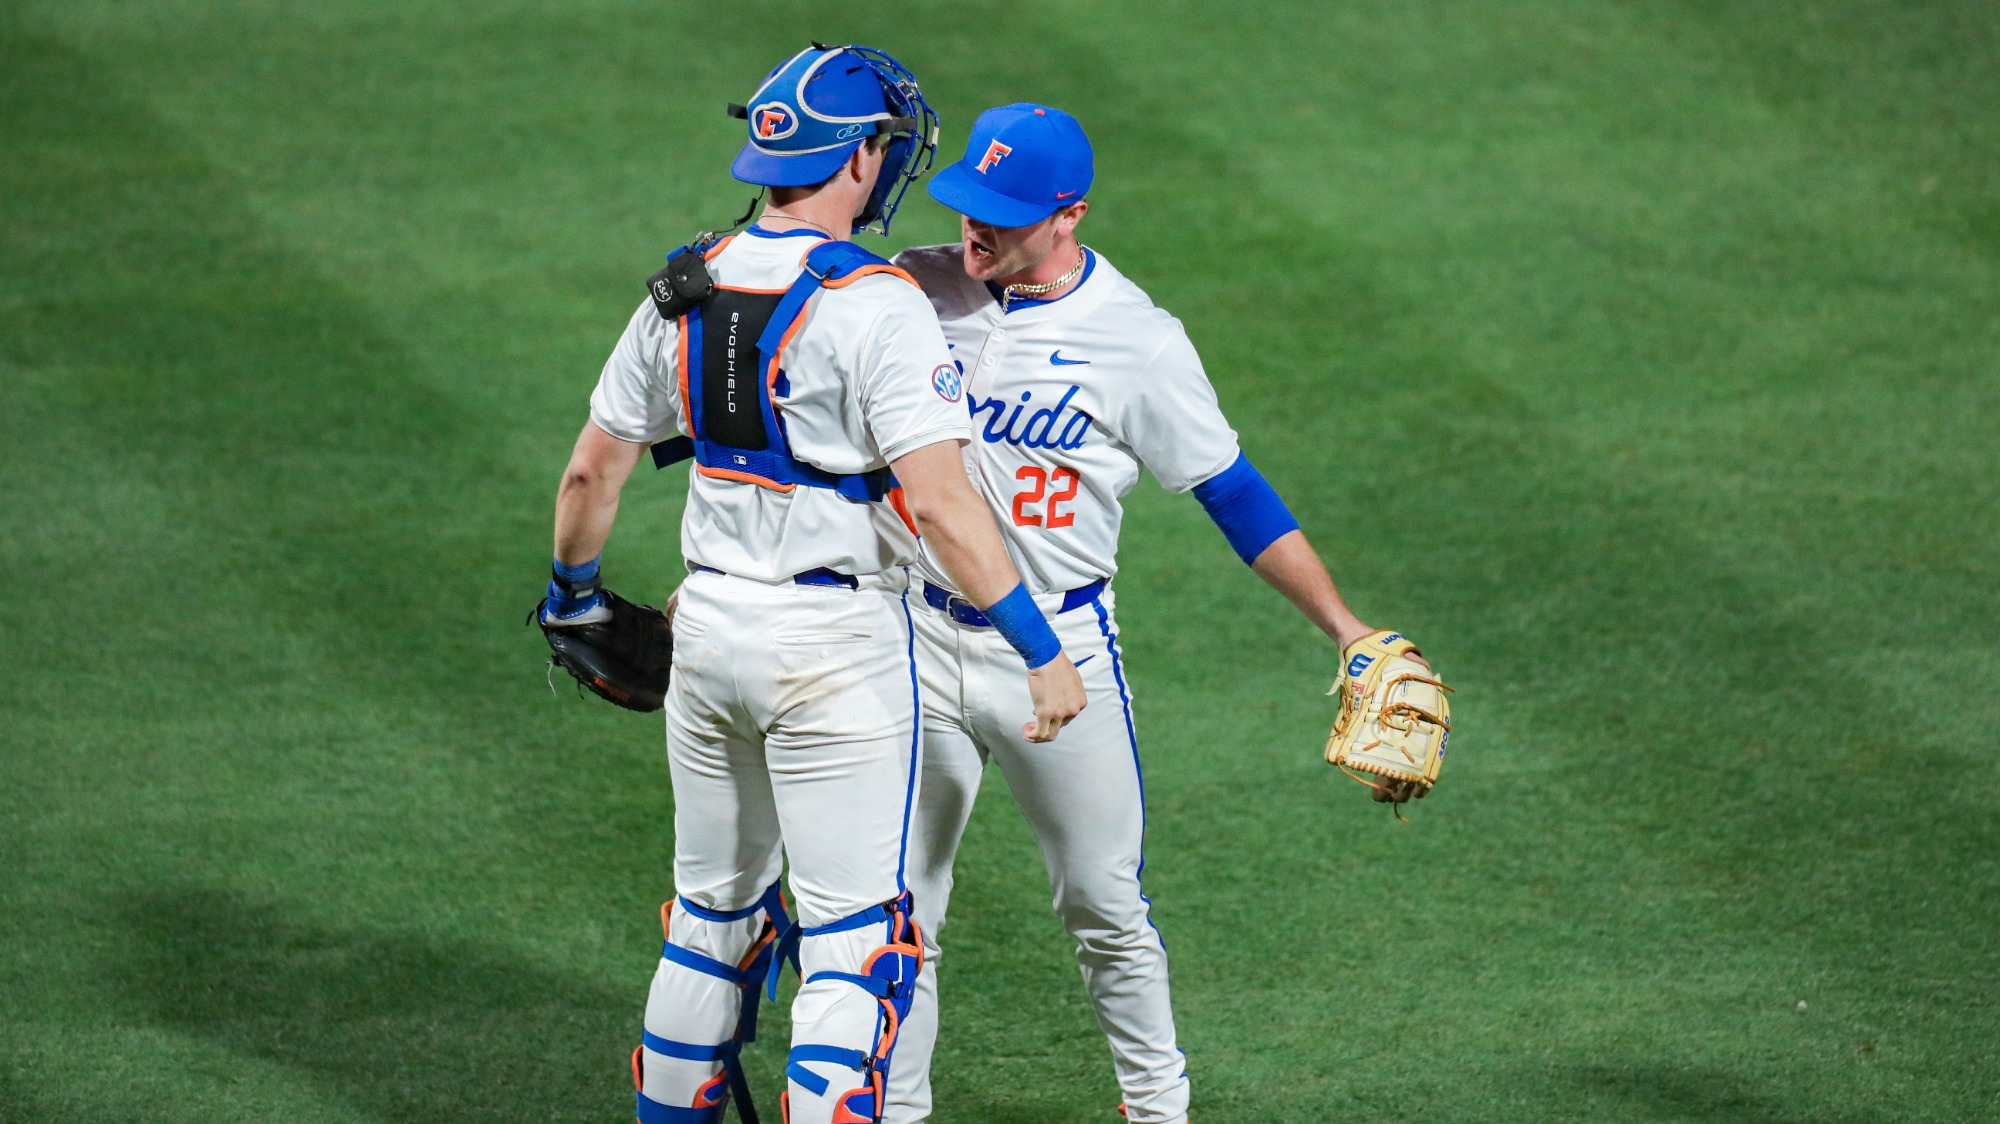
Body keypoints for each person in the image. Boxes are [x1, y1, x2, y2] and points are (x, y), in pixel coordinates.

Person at [539, 57, 1086, 1124]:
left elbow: (589, 472)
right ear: (857, 155)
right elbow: (941, 503)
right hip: (832, 646)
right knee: (852, 941)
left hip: (706, 632)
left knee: (710, 915)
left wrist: (574, 595)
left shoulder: (684, 281)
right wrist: (1037, 644)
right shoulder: (874, 301)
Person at [884, 104, 1409, 1124]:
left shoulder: (1136, 341)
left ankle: (1156, 1109)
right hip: (908, 632)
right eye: (966, 209)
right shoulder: (908, 287)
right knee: (897, 911)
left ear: (1068, 214)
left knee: (1103, 901)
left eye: (1000, 217)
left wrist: (1344, 627)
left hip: (1061, 649)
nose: (971, 234)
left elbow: (1232, 492)